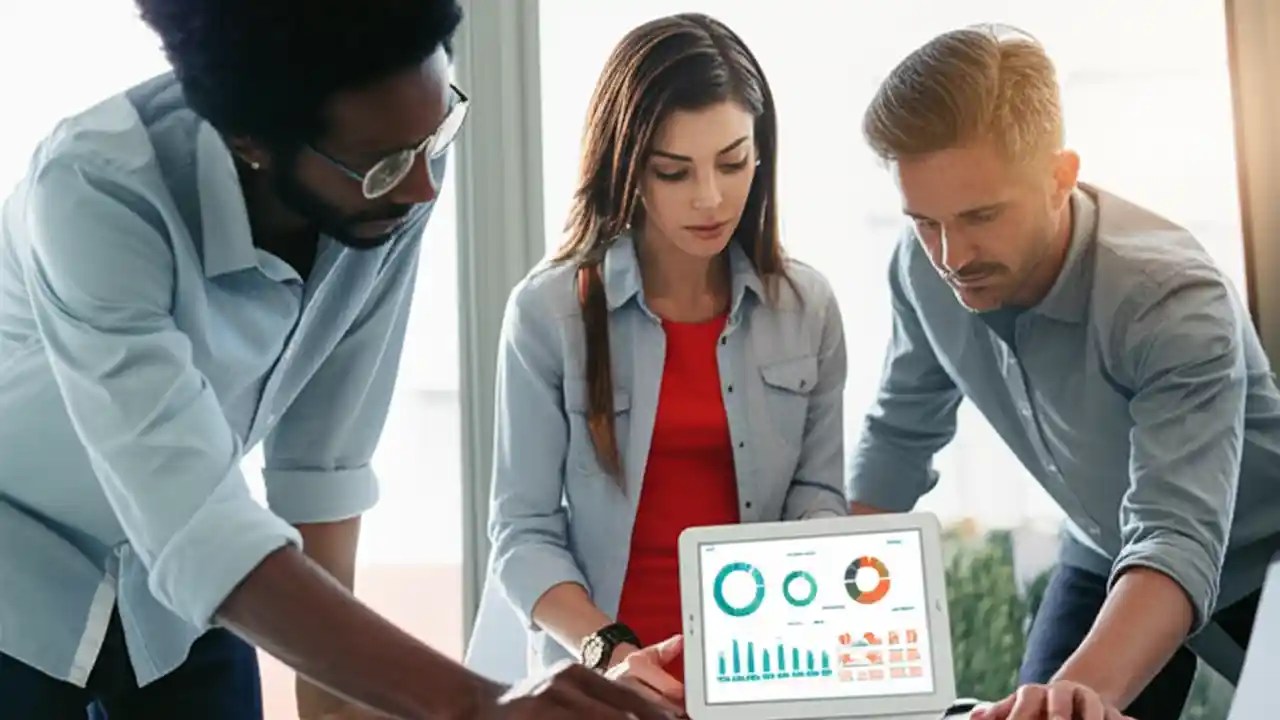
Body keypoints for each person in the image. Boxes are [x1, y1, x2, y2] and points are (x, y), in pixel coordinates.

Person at [0, 1, 675, 718]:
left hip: (185, 594)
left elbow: (323, 467)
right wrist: (483, 707)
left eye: (434, 133)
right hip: (24, 567)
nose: (422, 189)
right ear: (253, 144)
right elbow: (190, 521)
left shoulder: (397, 169)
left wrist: (342, 710)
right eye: (385, 166)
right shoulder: (94, 192)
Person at [849, 23, 1280, 720]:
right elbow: (898, 438)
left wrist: (1060, 704)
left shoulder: (1171, 299)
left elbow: (1176, 536)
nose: (952, 255)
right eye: (926, 220)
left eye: (981, 215)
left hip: (1258, 554)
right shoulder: (919, 267)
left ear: (1059, 177)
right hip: (1101, 544)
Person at [476, 11, 848, 711]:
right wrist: (610, 653)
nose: (710, 198)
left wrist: (801, 600)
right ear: (627, 166)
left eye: (733, 162)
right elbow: (522, 535)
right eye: (674, 171)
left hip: (763, 679)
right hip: (598, 684)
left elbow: (817, 497)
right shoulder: (547, 313)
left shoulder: (809, 308)